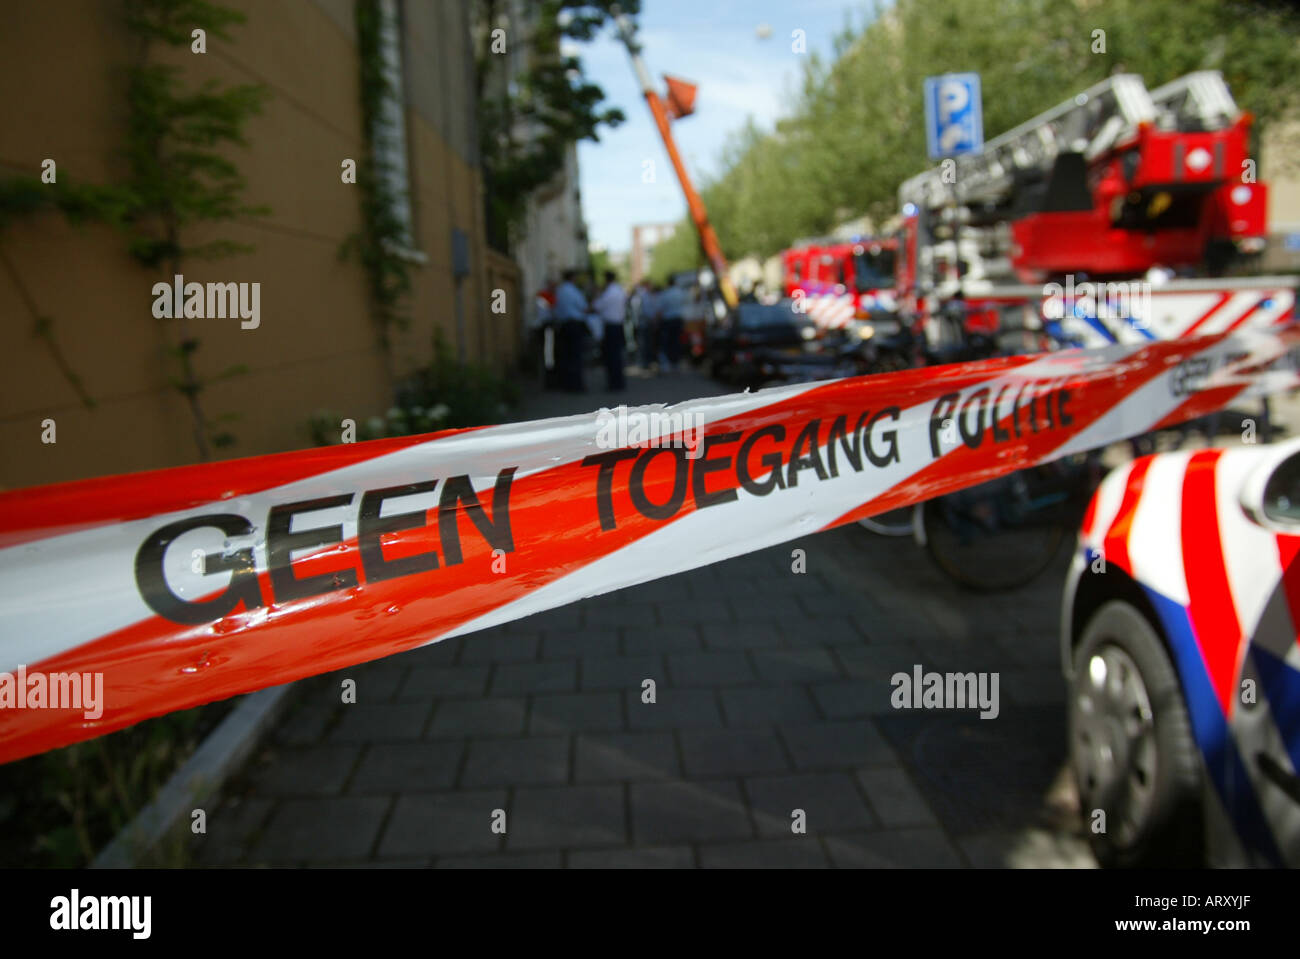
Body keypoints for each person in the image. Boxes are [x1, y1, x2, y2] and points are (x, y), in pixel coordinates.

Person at [553, 268, 589, 392]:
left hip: (563, 325)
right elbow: (583, 307)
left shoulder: (560, 291)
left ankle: (567, 384)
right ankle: (576, 385)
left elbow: (556, 308)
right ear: (572, 278)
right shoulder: (574, 291)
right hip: (574, 325)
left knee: (566, 355)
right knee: (576, 356)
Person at [593, 271, 628, 391]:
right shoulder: (619, 290)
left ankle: (614, 383)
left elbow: (597, 306)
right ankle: (618, 381)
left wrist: (597, 295)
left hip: (611, 326)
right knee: (617, 355)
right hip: (618, 325)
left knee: (611, 356)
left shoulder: (608, 292)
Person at [657, 279, 687, 372]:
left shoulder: (666, 293)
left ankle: (667, 363)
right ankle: (676, 361)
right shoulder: (680, 292)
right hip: (678, 319)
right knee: (677, 341)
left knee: (667, 341)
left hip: (668, 320)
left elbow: (661, 308)